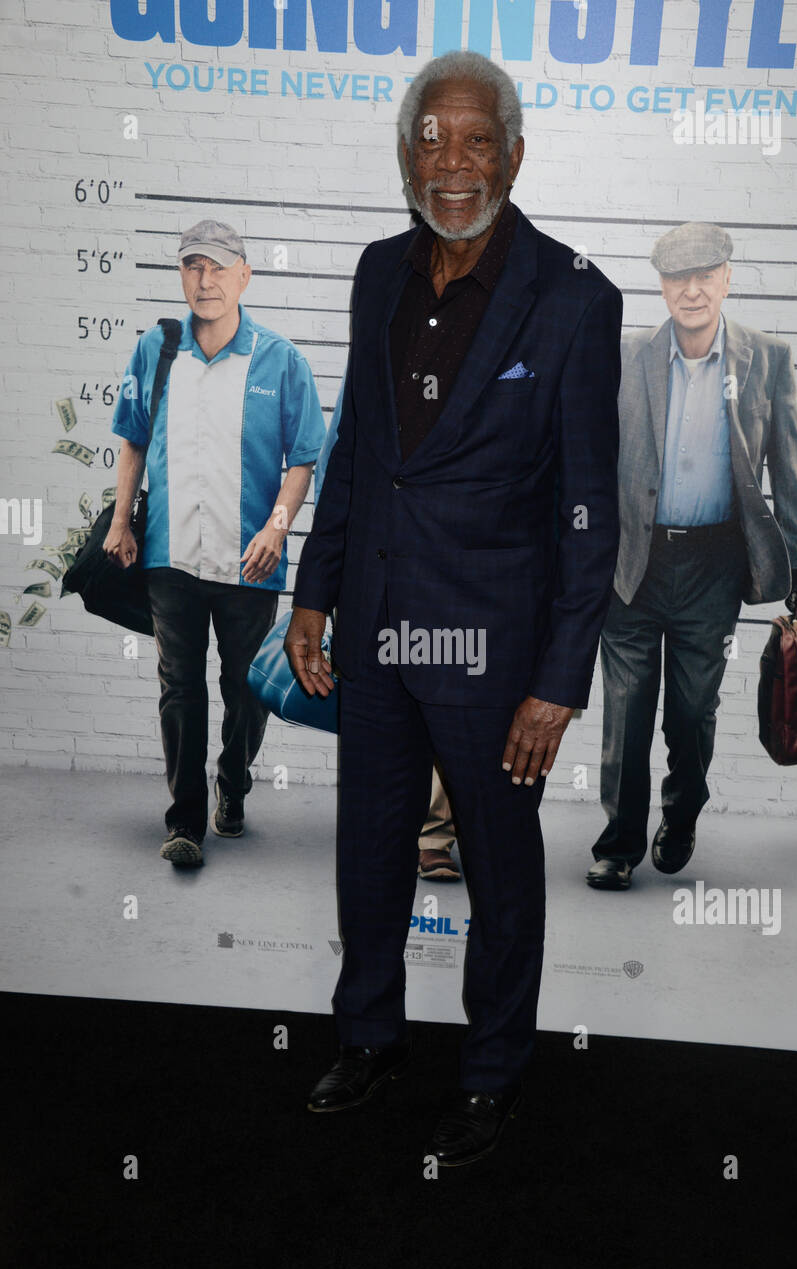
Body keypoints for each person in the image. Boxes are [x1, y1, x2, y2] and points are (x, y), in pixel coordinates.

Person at [286, 51, 622, 1165]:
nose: (453, 163)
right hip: (375, 625)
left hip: (494, 650)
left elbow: (588, 508)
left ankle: (490, 1078)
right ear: (403, 156)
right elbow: (355, 458)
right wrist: (312, 596)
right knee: (370, 848)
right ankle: (369, 1036)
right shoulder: (378, 273)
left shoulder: (575, 298)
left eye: (477, 140)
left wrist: (557, 682)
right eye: (431, 139)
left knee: (498, 865)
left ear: (515, 155)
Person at [587, 222, 797, 891]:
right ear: (660, 286)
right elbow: (590, 460)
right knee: (626, 710)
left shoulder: (766, 358)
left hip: (713, 565)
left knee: (690, 709)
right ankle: (618, 843)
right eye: (675, 277)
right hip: (632, 564)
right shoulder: (626, 358)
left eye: (703, 275)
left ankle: (680, 814)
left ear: (725, 278)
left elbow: (788, 471)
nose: (690, 290)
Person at [106, 220, 325, 867]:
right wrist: (121, 521)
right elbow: (133, 438)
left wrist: (275, 528)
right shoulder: (157, 348)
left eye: (217, 267)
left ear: (243, 275)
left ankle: (233, 784)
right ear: (182, 276)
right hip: (169, 555)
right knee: (178, 686)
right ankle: (185, 820)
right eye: (192, 267)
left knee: (245, 687)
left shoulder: (280, 359)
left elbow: (303, 458)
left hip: (249, 560)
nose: (204, 280)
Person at [315, 377, 462, 883]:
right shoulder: (381, 367)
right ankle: (402, 836)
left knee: (449, 710)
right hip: (380, 582)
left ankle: (435, 837)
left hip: (456, 583)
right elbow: (338, 468)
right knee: (393, 721)